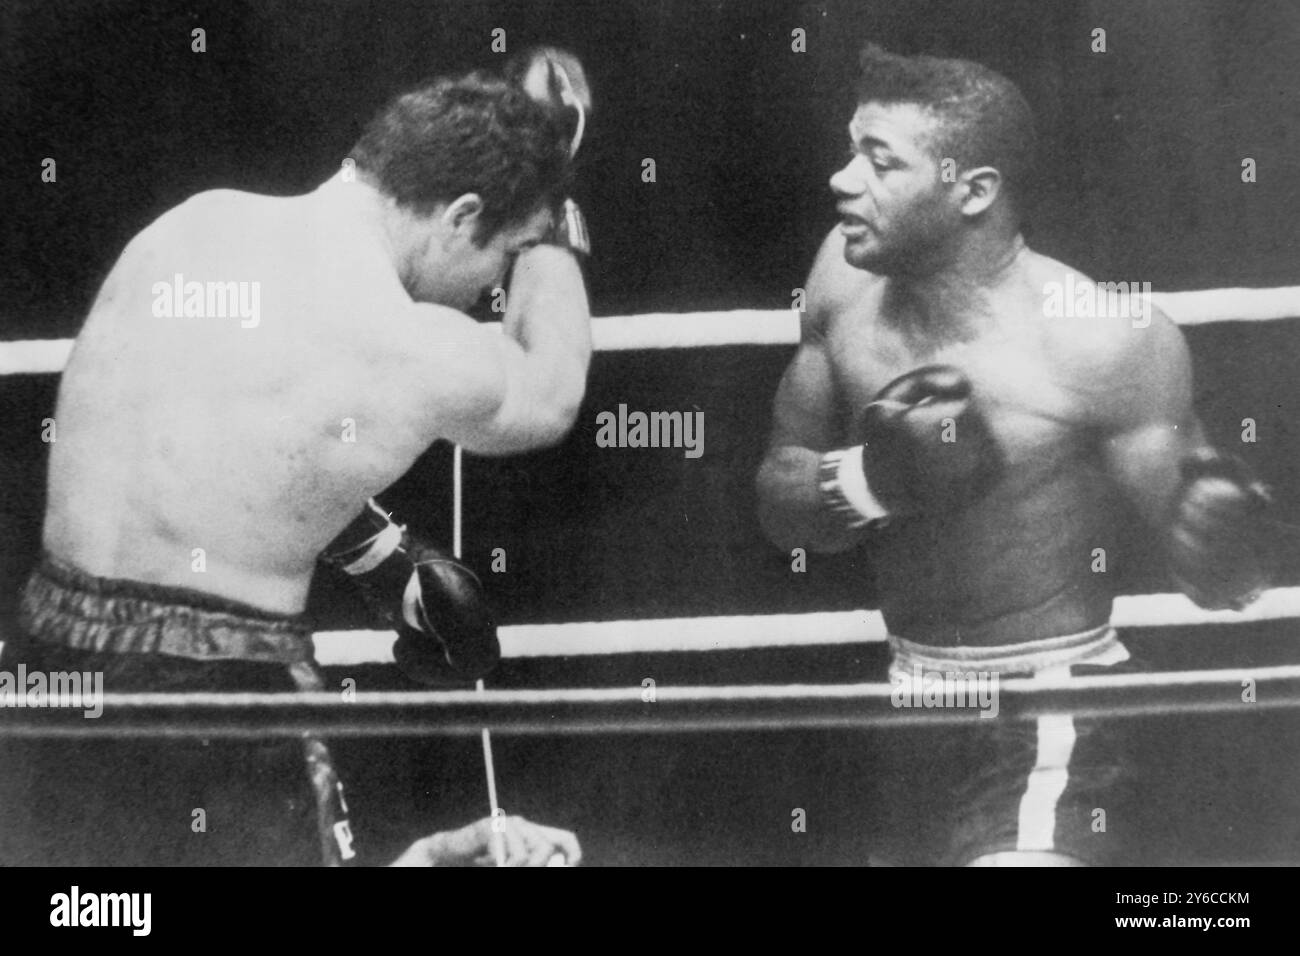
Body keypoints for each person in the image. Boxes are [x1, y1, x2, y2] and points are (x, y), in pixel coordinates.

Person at [0, 56, 592, 866]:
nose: (495, 281)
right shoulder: (415, 349)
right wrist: (558, 216)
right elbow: (551, 392)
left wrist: (386, 557)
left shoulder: (191, 228)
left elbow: (224, 445)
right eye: (507, 252)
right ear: (460, 216)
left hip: (43, 669)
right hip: (219, 693)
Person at [756, 45, 1276, 866]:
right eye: (853, 150)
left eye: (879, 161)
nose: (842, 180)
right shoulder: (841, 283)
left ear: (974, 190)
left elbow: (1222, 582)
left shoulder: (1100, 340)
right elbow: (779, 505)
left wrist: (1229, 534)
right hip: (905, 699)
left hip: (1050, 713)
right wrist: (867, 480)